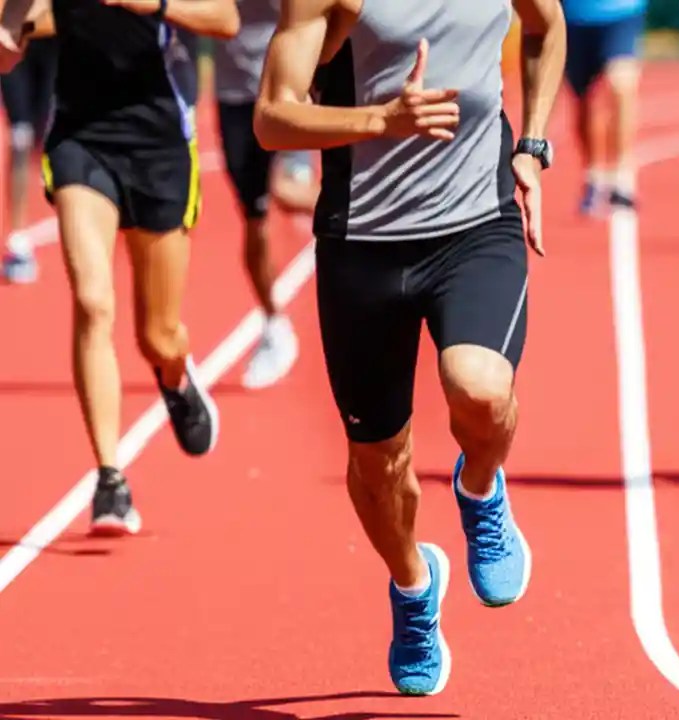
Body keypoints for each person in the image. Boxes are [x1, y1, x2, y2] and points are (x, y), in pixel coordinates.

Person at [255, 0, 564, 696]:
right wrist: (382, 120)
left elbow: (549, 24)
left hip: (475, 226)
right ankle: (412, 583)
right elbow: (272, 117)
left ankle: (480, 489)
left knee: (480, 387)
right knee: (378, 461)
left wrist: (533, 143)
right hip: (361, 244)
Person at [0, 0, 238, 533]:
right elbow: (8, 46)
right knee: (91, 300)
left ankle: (175, 377)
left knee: (158, 334)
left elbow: (226, 19)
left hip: (161, 147)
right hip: (81, 140)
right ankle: (111, 478)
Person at [212, 0, 301, 389]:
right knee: (254, 218)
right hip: (233, 98)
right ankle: (273, 322)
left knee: (285, 189)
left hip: (285, 93)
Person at [561, 0, 646, 214]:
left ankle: (623, 178)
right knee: (584, 101)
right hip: (574, 16)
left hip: (622, 12)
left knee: (621, 85)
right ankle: (594, 176)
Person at [0, 34, 53, 284]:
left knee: (41, 140)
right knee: (20, 135)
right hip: (12, 36)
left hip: (53, 40)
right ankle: (18, 238)